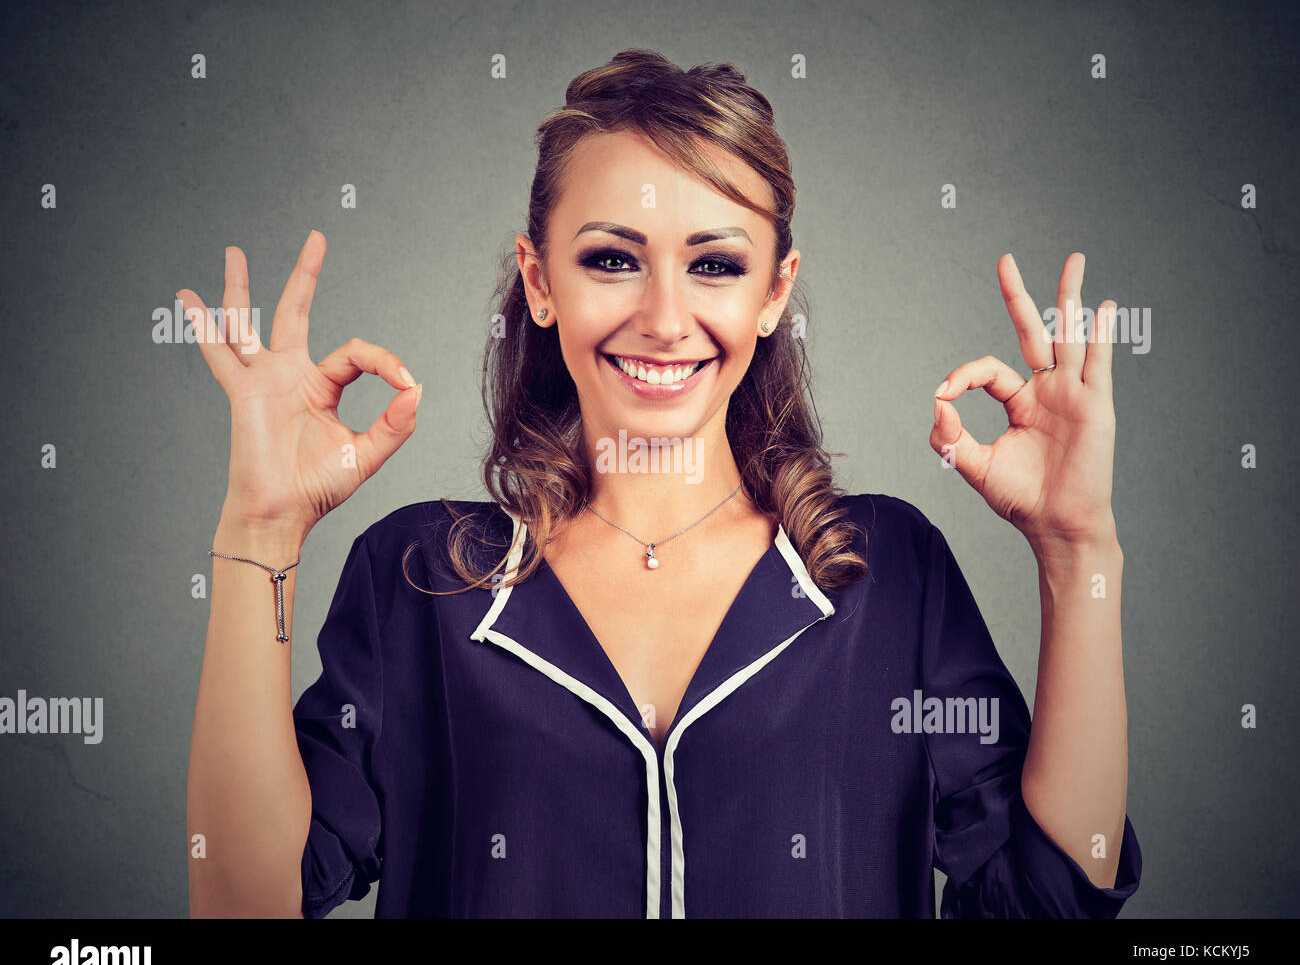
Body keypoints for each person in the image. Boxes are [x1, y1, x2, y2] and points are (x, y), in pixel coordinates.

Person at [184, 49, 1140, 918]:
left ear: (773, 293)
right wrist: (260, 530)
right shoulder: (421, 574)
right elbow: (241, 904)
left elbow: (1053, 894)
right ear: (540, 280)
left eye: (715, 265)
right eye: (612, 259)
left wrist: (1077, 550)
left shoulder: (888, 571)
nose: (664, 317)